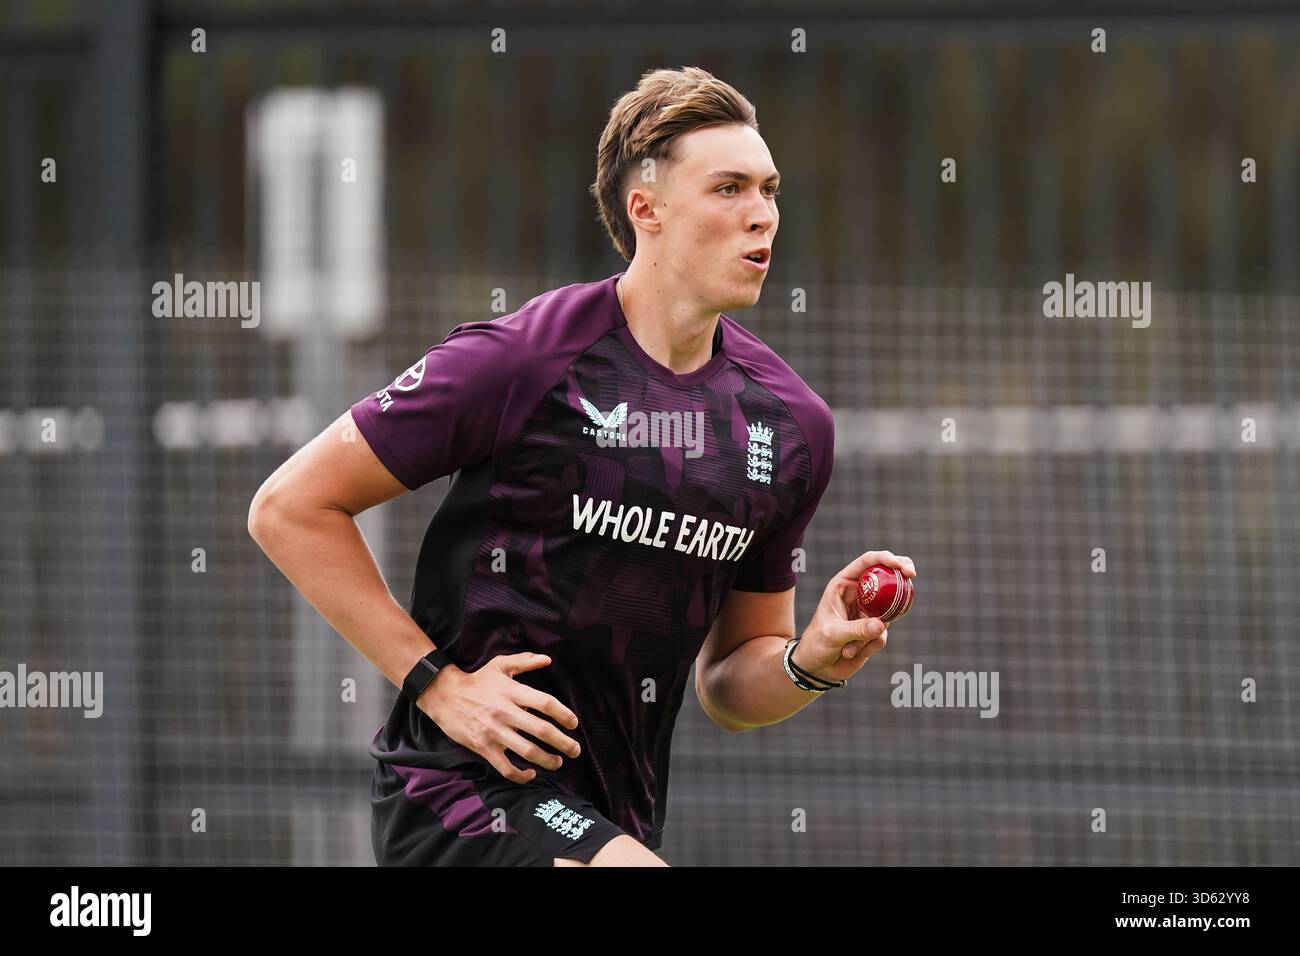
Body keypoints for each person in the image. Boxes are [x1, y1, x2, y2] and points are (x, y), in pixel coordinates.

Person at [248, 65, 915, 867]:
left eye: (769, 190)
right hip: (462, 794)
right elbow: (289, 508)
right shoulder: (524, 360)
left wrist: (809, 663)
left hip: (614, 814)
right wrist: (437, 683)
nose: (761, 215)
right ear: (647, 211)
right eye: (729, 188)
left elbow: (730, 686)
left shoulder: (790, 425)